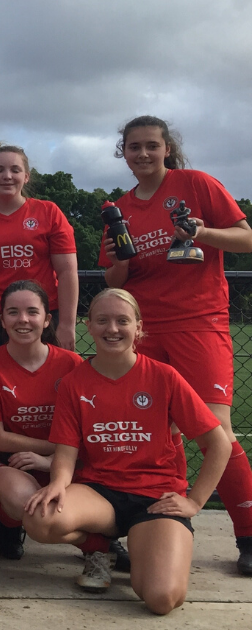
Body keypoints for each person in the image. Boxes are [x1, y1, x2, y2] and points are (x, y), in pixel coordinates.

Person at [101, 115, 252, 575]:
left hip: (198, 323)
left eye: (151, 145)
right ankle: (140, 529)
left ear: (167, 148)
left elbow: (246, 239)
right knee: (145, 434)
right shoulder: (120, 208)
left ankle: (247, 534)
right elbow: (111, 277)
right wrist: (122, 257)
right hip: (143, 331)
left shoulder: (197, 185)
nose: (142, 154)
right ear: (122, 154)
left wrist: (200, 233)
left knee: (215, 429)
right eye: (133, 147)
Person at [24, 288, 232, 614]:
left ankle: (146, 546)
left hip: (155, 498)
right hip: (101, 494)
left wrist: (194, 501)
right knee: (40, 518)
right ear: (88, 326)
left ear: (138, 328)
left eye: (123, 321)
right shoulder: (74, 382)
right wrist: (57, 484)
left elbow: (218, 443)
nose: (112, 329)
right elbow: (65, 453)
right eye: (102, 320)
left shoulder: (164, 376)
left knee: (161, 598)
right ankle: (102, 543)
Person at [0, 280, 82, 560]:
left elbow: (86, 431)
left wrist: (51, 459)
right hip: (9, 460)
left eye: (32, 312)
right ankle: (9, 523)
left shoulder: (72, 365)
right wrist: (52, 448)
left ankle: (98, 544)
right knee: (31, 507)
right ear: (2, 320)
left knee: (94, 490)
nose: (23, 320)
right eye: (13, 312)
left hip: (64, 460)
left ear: (47, 320)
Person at [0, 143, 77, 357]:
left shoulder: (48, 212)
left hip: (40, 315)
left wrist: (68, 325)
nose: (7, 176)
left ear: (26, 177)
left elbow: (67, 271)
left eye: (15, 170)